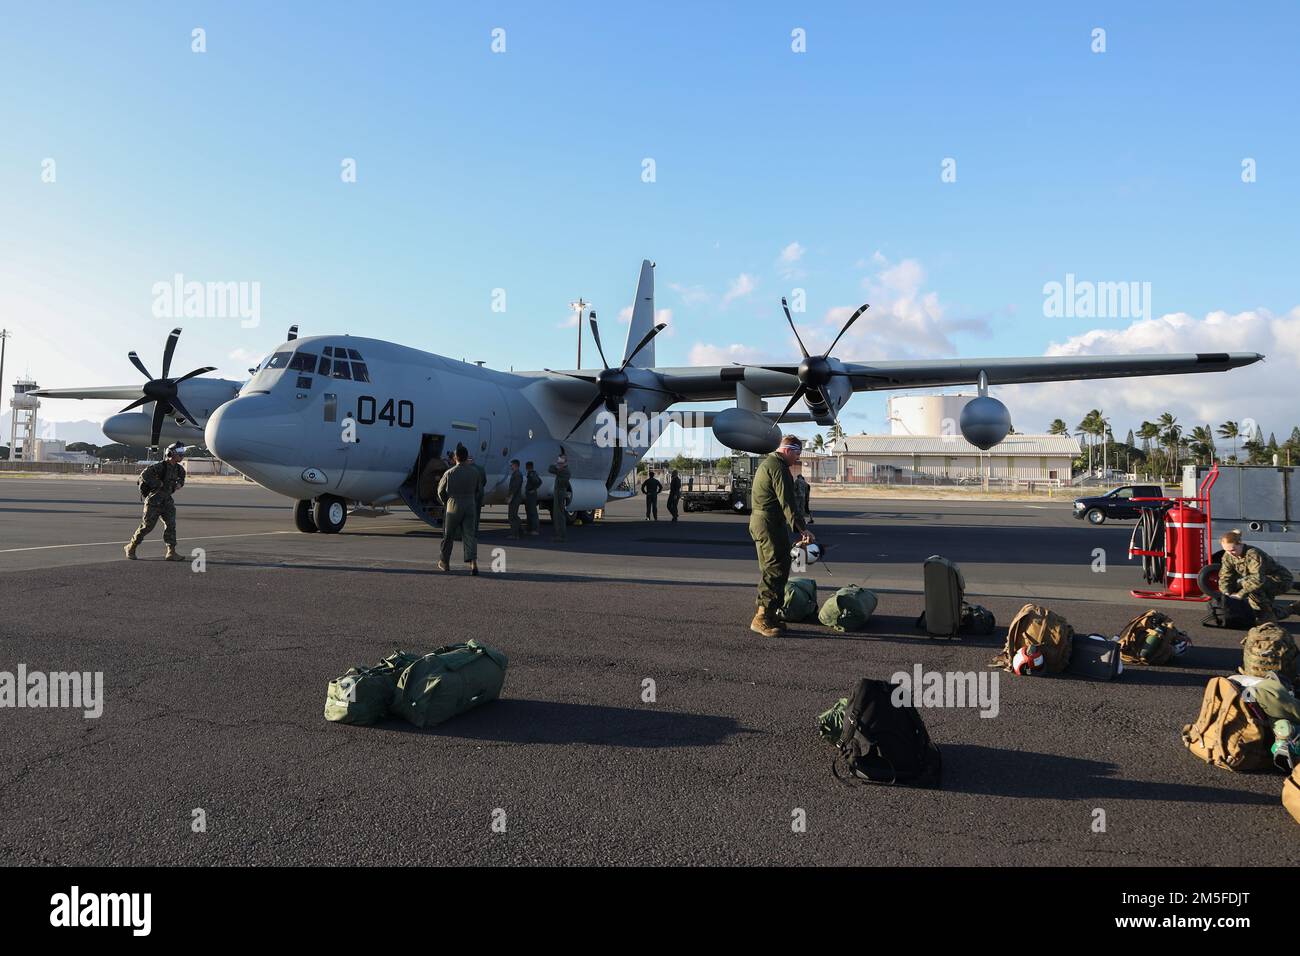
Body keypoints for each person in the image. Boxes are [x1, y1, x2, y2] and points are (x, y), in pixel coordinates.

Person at [747, 436, 813, 637]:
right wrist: (803, 529)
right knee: (774, 569)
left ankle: (771, 613)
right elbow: (788, 502)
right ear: (788, 450)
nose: (797, 458)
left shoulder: (769, 463)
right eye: (797, 454)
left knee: (778, 565)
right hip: (769, 523)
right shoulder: (778, 467)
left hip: (765, 521)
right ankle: (761, 617)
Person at [125, 443, 189, 561]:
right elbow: (144, 475)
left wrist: (178, 485)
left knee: (171, 525)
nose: (182, 453)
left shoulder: (179, 469)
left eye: (183, 450)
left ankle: (171, 552)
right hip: (154, 500)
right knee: (147, 527)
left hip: (167, 501)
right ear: (171, 453)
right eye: (179, 450)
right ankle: (131, 547)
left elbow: (182, 480)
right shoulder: (160, 466)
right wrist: (158, 484)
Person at [1219, 529, 1293, 622]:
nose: (1230, 553)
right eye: (1226, 550)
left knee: (1249, 586)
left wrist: (1239, 594)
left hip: (1280, 580)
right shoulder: (1228, 556)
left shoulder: (1253, 554)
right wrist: (1227, 593)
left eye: (1233, 550)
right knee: (1241, 586)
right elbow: (1225, 576)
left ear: (1240, 544)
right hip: (1261, 581)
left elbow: (1257, 579)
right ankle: (1291, 609)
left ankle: (1265, 618)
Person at [437, 445, 481, 574]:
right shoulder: (475, 472)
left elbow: (440, 492)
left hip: (453, 505)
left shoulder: (449, 472)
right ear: (467, 457)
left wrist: (447, 502)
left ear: (455, 457)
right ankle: (473, 563)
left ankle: (445, 562)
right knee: (469, 535)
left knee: (448, 535)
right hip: (470, 505)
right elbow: (479, 491)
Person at [549, 454, 571, 542]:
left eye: (561, 462)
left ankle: (561, 535)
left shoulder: (565, 471)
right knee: (557, 514)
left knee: (559, 515)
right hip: (559, 492)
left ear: (565, 462)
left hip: (560, 492)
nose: (559, 463)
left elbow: (551, 469)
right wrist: (557, 465)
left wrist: (555, 464)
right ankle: (560, 534)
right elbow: (551, 469)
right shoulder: (562, 470)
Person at [506, 459, 524, 538]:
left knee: (512, 516)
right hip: (515, 497)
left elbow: (515, 487)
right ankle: (520, 531)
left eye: (512, 465)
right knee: (514, 515)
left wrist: (510, 497)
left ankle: (514, 534)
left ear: (515, 465)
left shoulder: (517, 474)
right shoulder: (516, 474)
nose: (511, 466)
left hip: (515, 498)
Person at [524, 460, 542, 535]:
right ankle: (530, 529)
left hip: (531, 496)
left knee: (532, 512)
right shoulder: (531, 473)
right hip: (529, 495)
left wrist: (533, 489)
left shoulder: (532, 474)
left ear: (527, 467)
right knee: (529, 512)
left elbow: (538, 482)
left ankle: (535, 529)